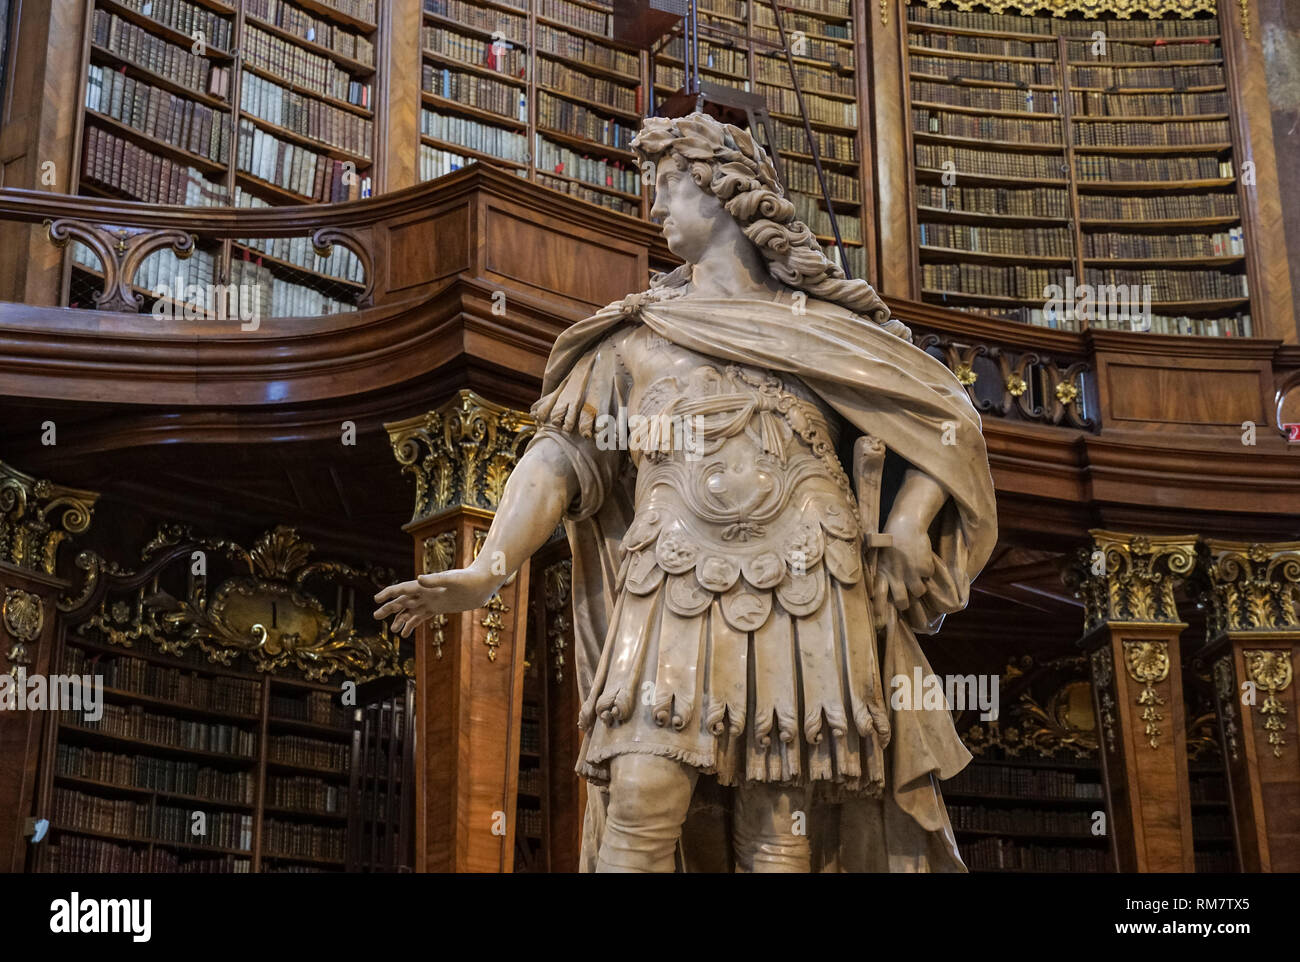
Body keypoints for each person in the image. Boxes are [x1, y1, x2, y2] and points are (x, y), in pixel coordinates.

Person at [375, 112, 997, 872]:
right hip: (672, 575)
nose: (656, 209)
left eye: (669, 187)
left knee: (782, 828)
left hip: (808, 575)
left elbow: (943, 421)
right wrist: (490, 568)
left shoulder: (822, 331)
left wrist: (906, 524)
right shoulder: (632, 337)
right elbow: (559, 457)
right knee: (640, 794)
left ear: (726, 194)